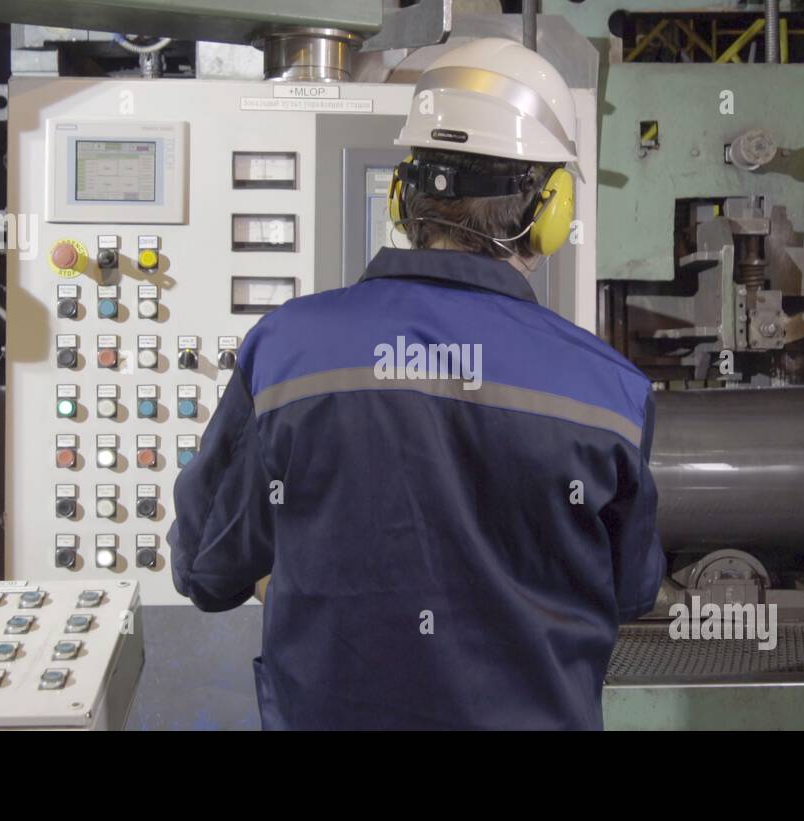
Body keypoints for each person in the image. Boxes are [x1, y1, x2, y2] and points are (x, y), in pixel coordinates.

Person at [166, 38, 665, 729]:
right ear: (549, 213)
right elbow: (631, 591)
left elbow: (205, 568)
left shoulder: (287, 353)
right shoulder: (610, 393)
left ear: (404, 196)